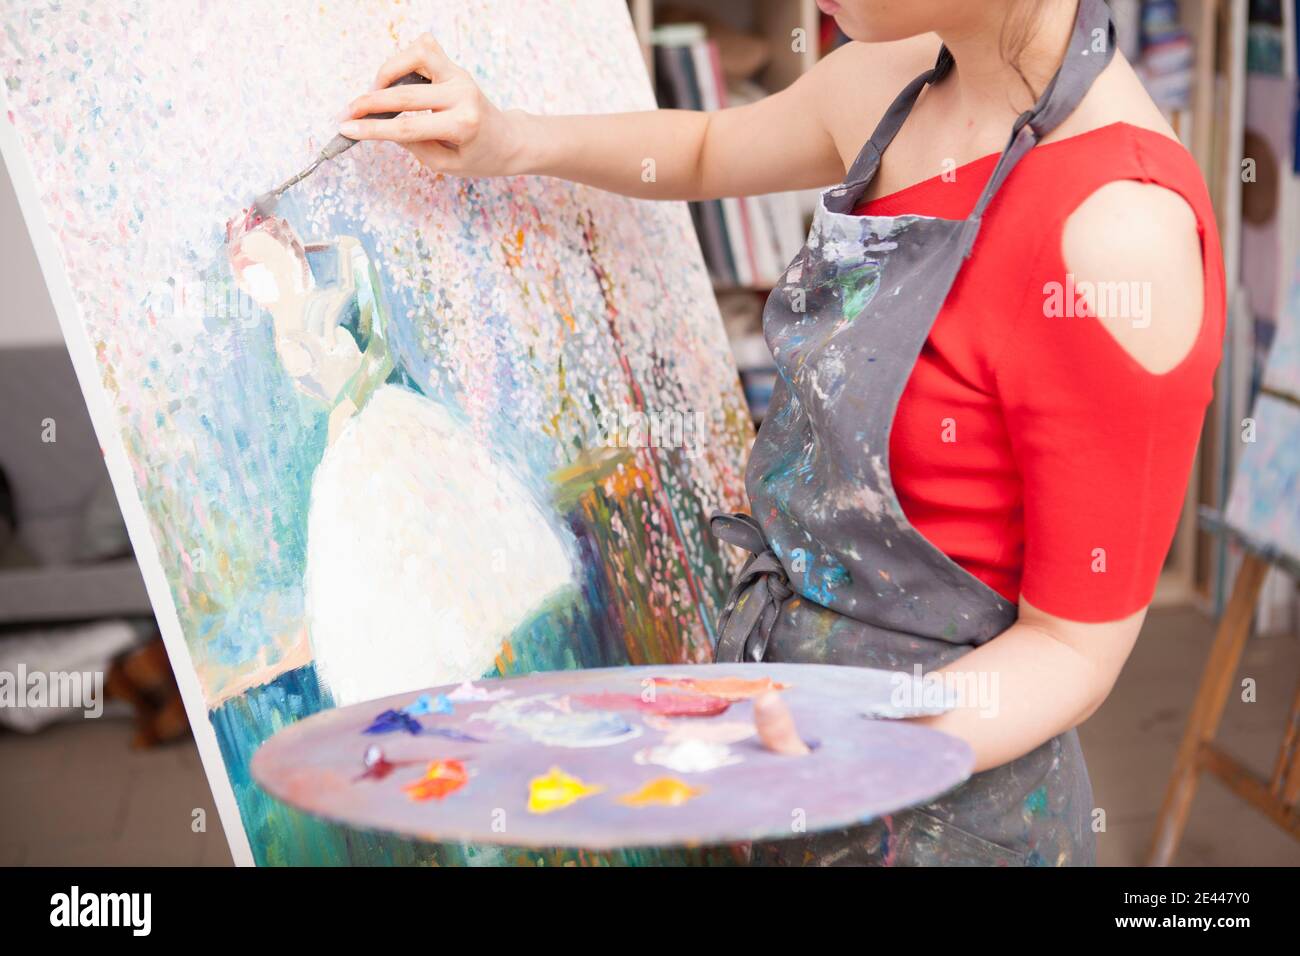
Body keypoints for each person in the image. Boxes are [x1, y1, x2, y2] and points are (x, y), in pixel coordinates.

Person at [338, 0, 1224, 865]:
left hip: (944, 811)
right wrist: (512, 140)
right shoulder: (899, 72)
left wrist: (856, 741)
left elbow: (1073, 652)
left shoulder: (1118, 235)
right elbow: (707, 147)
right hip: (783, 725)